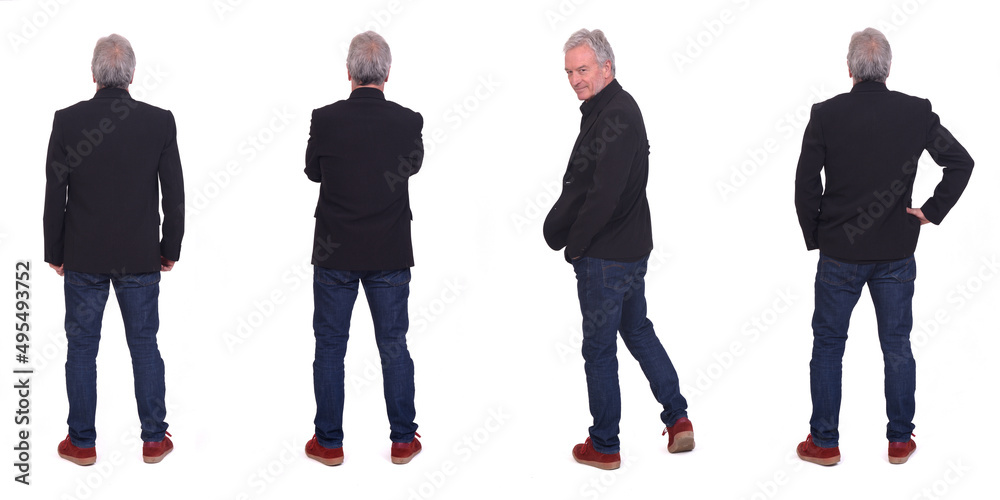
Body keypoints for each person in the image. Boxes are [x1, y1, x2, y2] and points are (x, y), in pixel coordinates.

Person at [794, 28, 974, 466]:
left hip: (839, 253)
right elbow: (960, 162)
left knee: (828, 346)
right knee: (897, 345)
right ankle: (899, 440)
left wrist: (817, 236)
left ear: (851, 69)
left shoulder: (826, 114)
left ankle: (824, 443)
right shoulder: (915, 112)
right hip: (896, 251)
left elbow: (804, 185)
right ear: (888, 69)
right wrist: (930, 211)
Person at [543, 28, 693, 471]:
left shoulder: (615, 115)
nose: (574, 79)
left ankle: (605, 444)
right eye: (569, 71)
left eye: (583, 69)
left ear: (607, 68)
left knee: (599, 350)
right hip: (629, 250)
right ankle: (678, 416)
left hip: (606, 257)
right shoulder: (611, 108)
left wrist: (576, 248)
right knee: (638, 330)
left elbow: (603, 196)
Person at [44, 34, 184, 465]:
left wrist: (54, 251)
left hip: (83, 256)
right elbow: (174, 194)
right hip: (140, 256)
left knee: (82, 348)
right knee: (144, 345)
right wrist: (170, 247)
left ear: (94, 75)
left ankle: (82, 443)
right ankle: (154, 439)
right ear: (131, 76)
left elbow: (56, 194)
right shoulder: (159, 121)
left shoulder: (67, 121)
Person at [303, 31, 424, 466]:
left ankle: (329, 443)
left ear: (349, 72)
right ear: (387, 74)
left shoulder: (325, 117)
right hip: (389, 250)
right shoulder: (409, 121)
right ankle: (403, 440)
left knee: (330, 346)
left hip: (335, 250)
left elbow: (313, 171)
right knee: (394, 344)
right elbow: (411, 167)